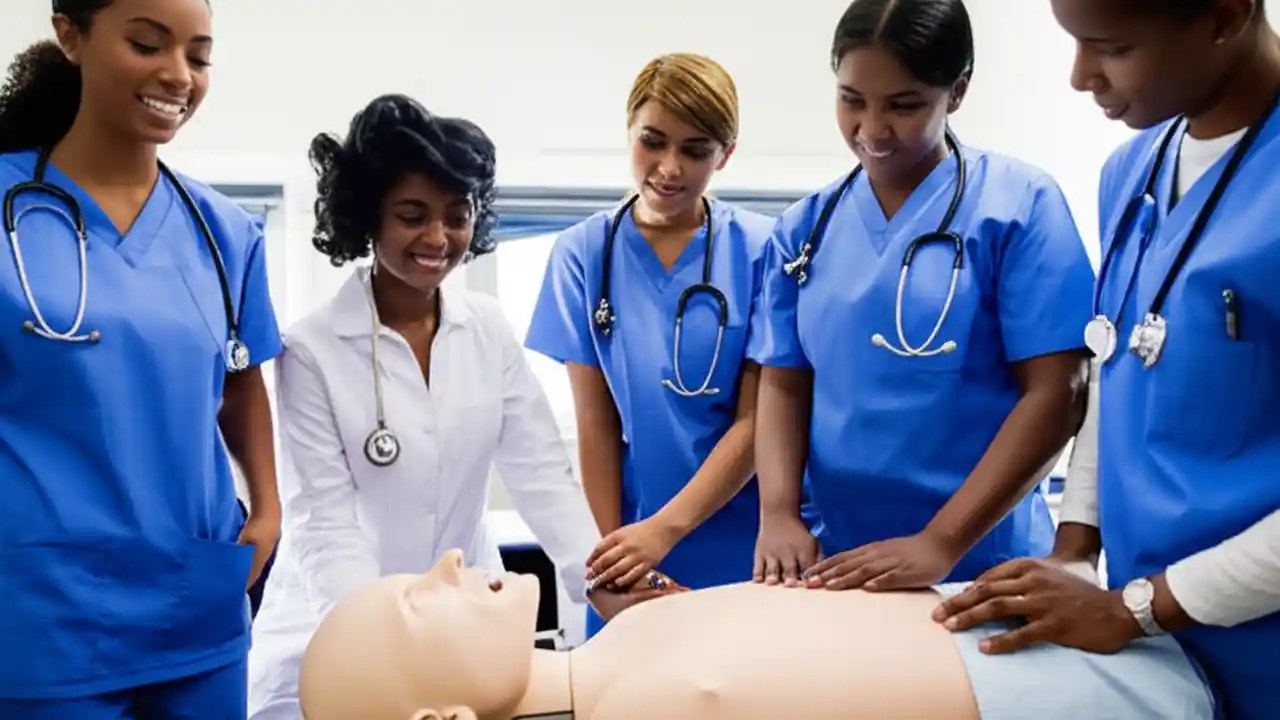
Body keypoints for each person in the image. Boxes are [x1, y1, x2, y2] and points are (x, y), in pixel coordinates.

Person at [934, 1, 1280, 718]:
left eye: (1110, 47)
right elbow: (1114, 372)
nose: (1079, 76)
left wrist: (1136, 607)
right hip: (1161, 654)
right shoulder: (1133, 170)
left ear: (1223, 16)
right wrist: (1073, 553)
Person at [246, 93, 602, 720]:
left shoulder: (487, 330)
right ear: (369, 219)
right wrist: (385, 652)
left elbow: (543, 476)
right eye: (412, 215)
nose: (438, 237)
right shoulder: (311, 350)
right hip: (336, 634)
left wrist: (603, 585)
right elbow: (326, 528)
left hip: (466, 630)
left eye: (456, 215)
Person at [749, 0, 1095, 592]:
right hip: (836, 558)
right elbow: (784, 379)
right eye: (851, 100)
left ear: (957, 91)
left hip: (980, 563)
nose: (872, 130)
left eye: (904, 105)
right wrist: (777, 512)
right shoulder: (805, 228)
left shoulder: (1019, 207)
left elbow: (1058, 394)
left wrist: (942, 541)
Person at [0, 0, 282, 716]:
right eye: (148, 43)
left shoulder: (224, 232)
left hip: (197, 601)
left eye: (199, 54)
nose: (177, 75)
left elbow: (240, 383)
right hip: (44, 613)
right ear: (70, 33)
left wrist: (269, 510)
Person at [295, 550, 1217, 720]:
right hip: (1086, 689)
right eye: (423, 600)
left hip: (1072, 633)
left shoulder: (607, 660)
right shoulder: (632, 703)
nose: (450, 561)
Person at [524, 53, 776, 634]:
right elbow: (597, 425)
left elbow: (759, 421)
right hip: (632, 546)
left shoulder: (764, 249)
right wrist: (610, 567)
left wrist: (665, 530)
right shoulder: (584, 254)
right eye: (653, 141)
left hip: (745, 544)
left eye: (696, 150)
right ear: (629, 130)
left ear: (726, 155)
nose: (669, 167)